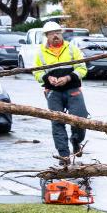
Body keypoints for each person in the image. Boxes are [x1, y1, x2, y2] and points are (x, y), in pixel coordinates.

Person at [30, 21, 88, 160]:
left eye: (57, 33)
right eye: (51, 34)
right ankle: (64, 156)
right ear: (46, 36)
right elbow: (36, 72)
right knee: (57, 123)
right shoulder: (40, 53)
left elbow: (82, 69)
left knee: (80, 119)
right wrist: (47, 78)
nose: (55, 36)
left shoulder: (72, 49)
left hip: (73, 89)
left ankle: (76, 141)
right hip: (53, 92)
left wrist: (68, 77)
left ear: (61, 34)